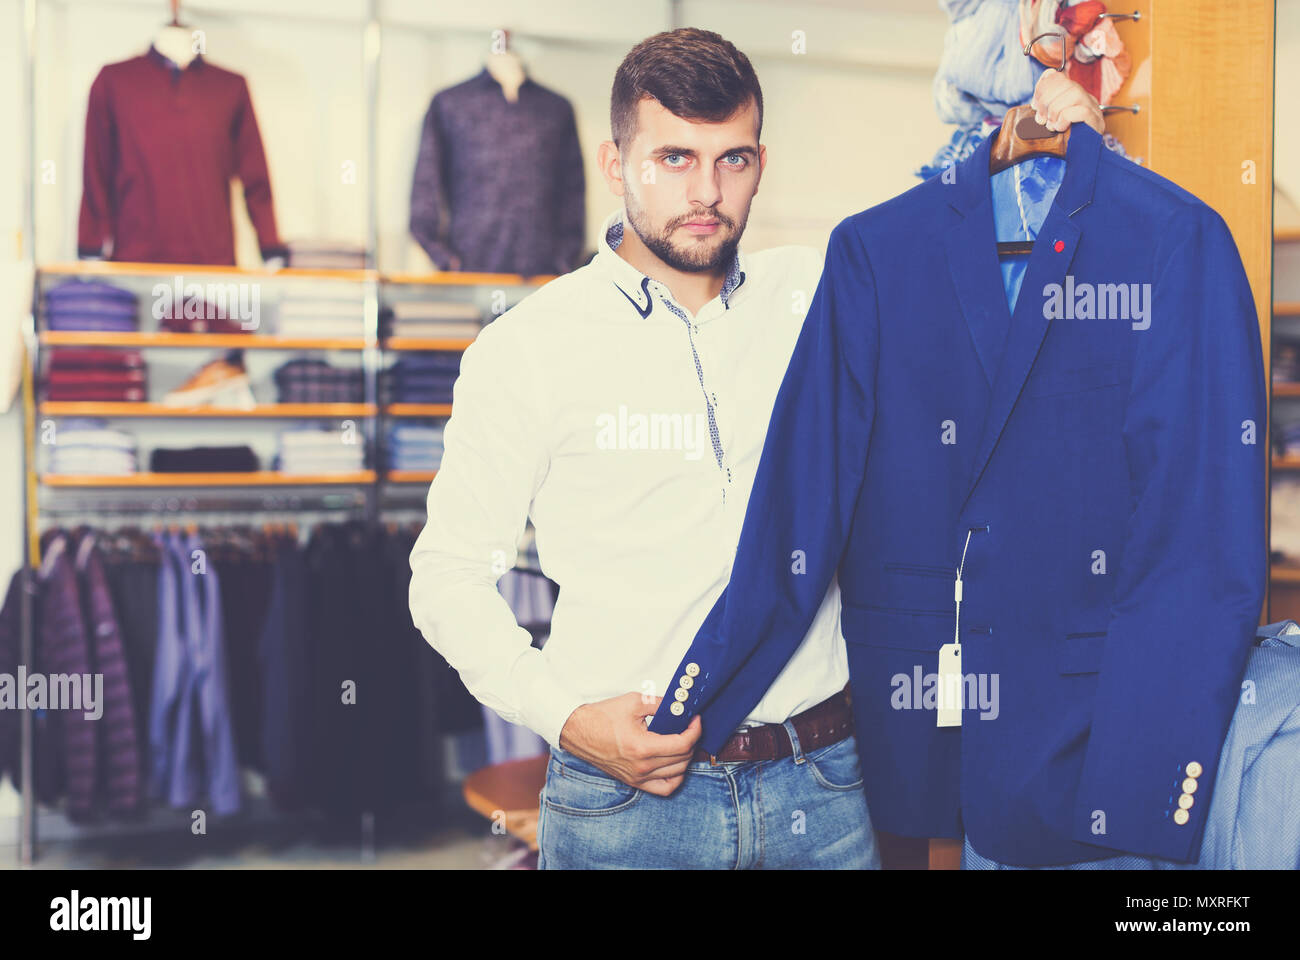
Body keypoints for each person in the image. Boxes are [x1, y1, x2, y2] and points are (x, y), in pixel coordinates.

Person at [408, 28, 1103, 870]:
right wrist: (567, 720)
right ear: (614, 161)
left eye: (732, 160)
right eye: (674, 158)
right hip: (630, 801)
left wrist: (1017, 137)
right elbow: (445, 578)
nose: (706, 192)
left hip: (825, 785)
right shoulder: (525, 350)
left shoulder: (818, 292)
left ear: (762, 163)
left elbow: (935, 232)